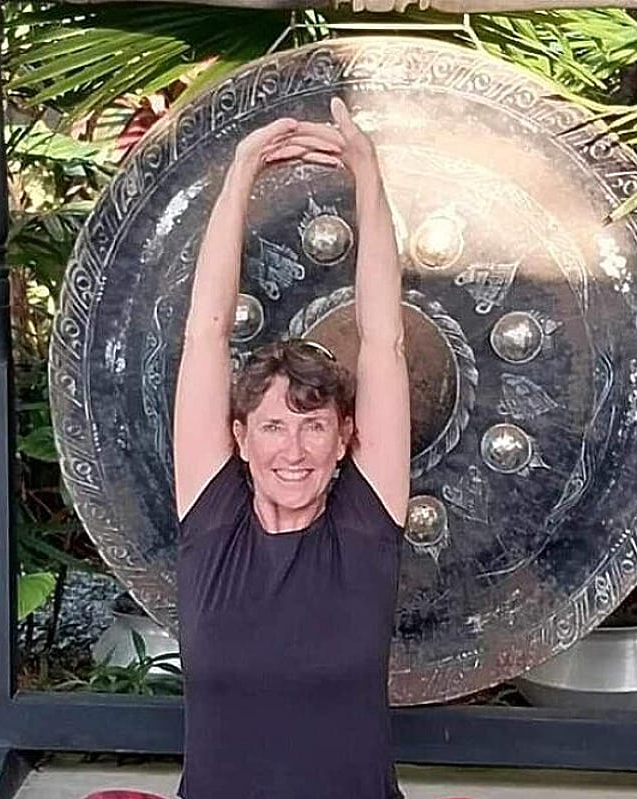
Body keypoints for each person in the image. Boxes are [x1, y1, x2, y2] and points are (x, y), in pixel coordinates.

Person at [172, 98, 410, 799]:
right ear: (240, 439)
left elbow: (385, 340)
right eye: (274, 426)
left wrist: (366, 175)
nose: (294, 448)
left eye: (314, 426)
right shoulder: (212, 523)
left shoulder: (365, 529)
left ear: (345, 441)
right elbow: (205, 334)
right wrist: (241, 172)